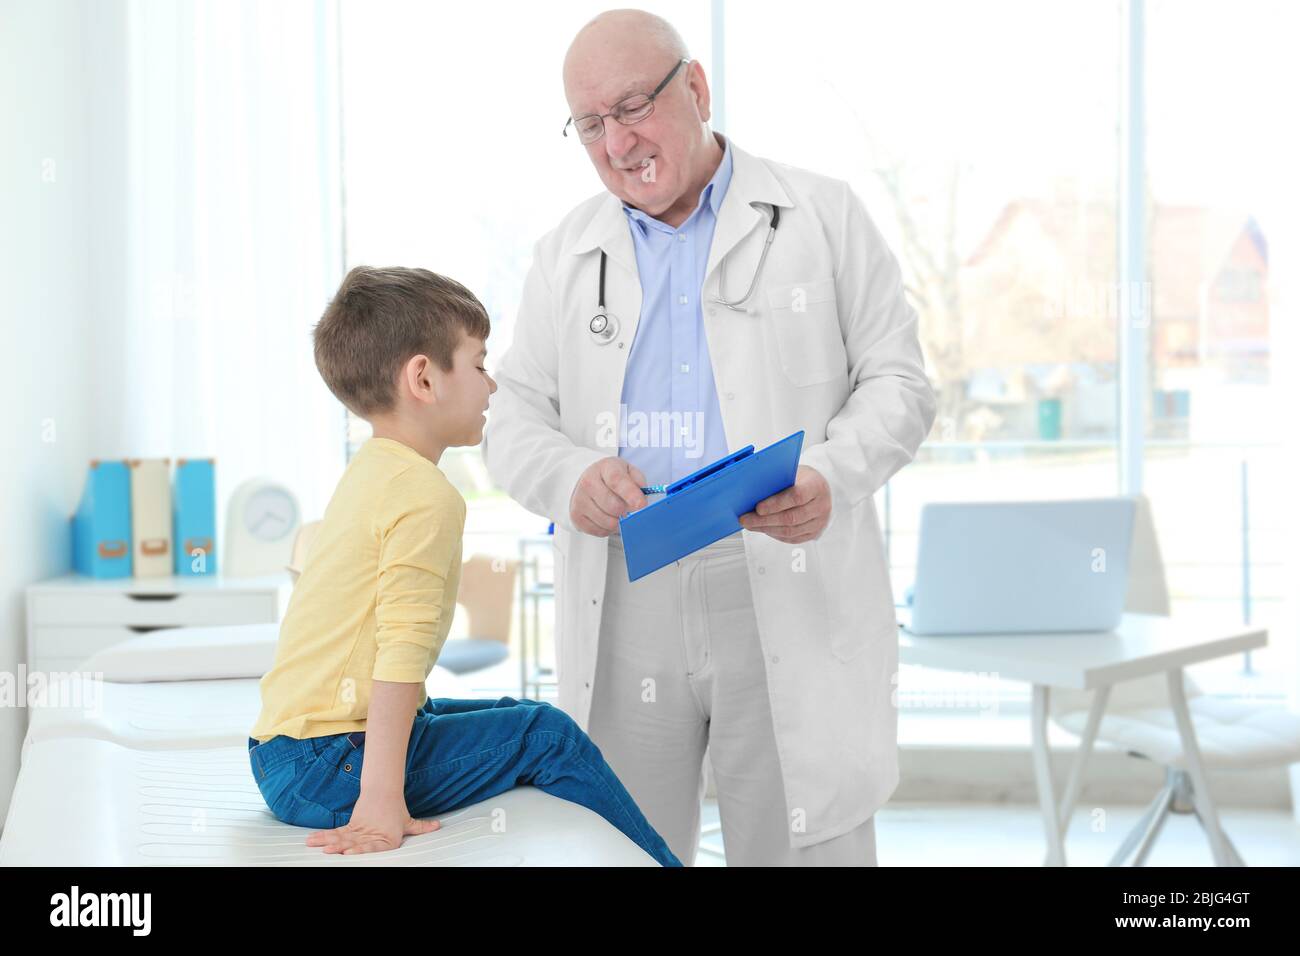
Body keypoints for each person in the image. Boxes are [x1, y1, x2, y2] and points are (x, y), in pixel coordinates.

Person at [483, 10, 936, 866]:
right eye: (590, 124)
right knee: (622, 844)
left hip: (777, 564)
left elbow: (901, 383)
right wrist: (570, 476)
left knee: (799, 841)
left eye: (632, 107)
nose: (616, 142)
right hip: (626, 582)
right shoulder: (565, 253)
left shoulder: (824, 217)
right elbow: (512, 415)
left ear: (694, 88)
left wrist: (831, 477)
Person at [247, 265, 681, 866]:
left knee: (520, 718)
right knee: (546, 734)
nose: (492, 387)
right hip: (329, 763)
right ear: (423, 378)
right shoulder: (424, 494)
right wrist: (379, 800)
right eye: (479, 365)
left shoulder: (375, 471)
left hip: (289, 753)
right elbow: (400, 649)